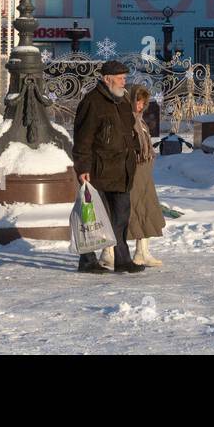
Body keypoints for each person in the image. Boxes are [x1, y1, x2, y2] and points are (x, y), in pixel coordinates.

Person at [72, 59, 145, 274]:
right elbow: (83, 138)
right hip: (99, 170)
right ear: (107, 79)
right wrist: (82, 167)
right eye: (121, 78)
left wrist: (135, 149)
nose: (125, 82)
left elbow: (128, 131)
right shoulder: (92, 102)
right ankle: (87, 260)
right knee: (94, 217)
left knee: (121, 218)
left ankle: (122, 259)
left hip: (122, 171)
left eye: (125, 78)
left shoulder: (122, 102)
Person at [127, 85, 166, 267]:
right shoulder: (127, 121)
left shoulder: (140, 121)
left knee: (147, 211)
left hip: (144, 175)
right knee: (131, 213)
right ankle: (110, 252)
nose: (141, 106)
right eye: (138, 101)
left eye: (143, 102)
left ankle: (143, 252)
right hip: (133, 174)